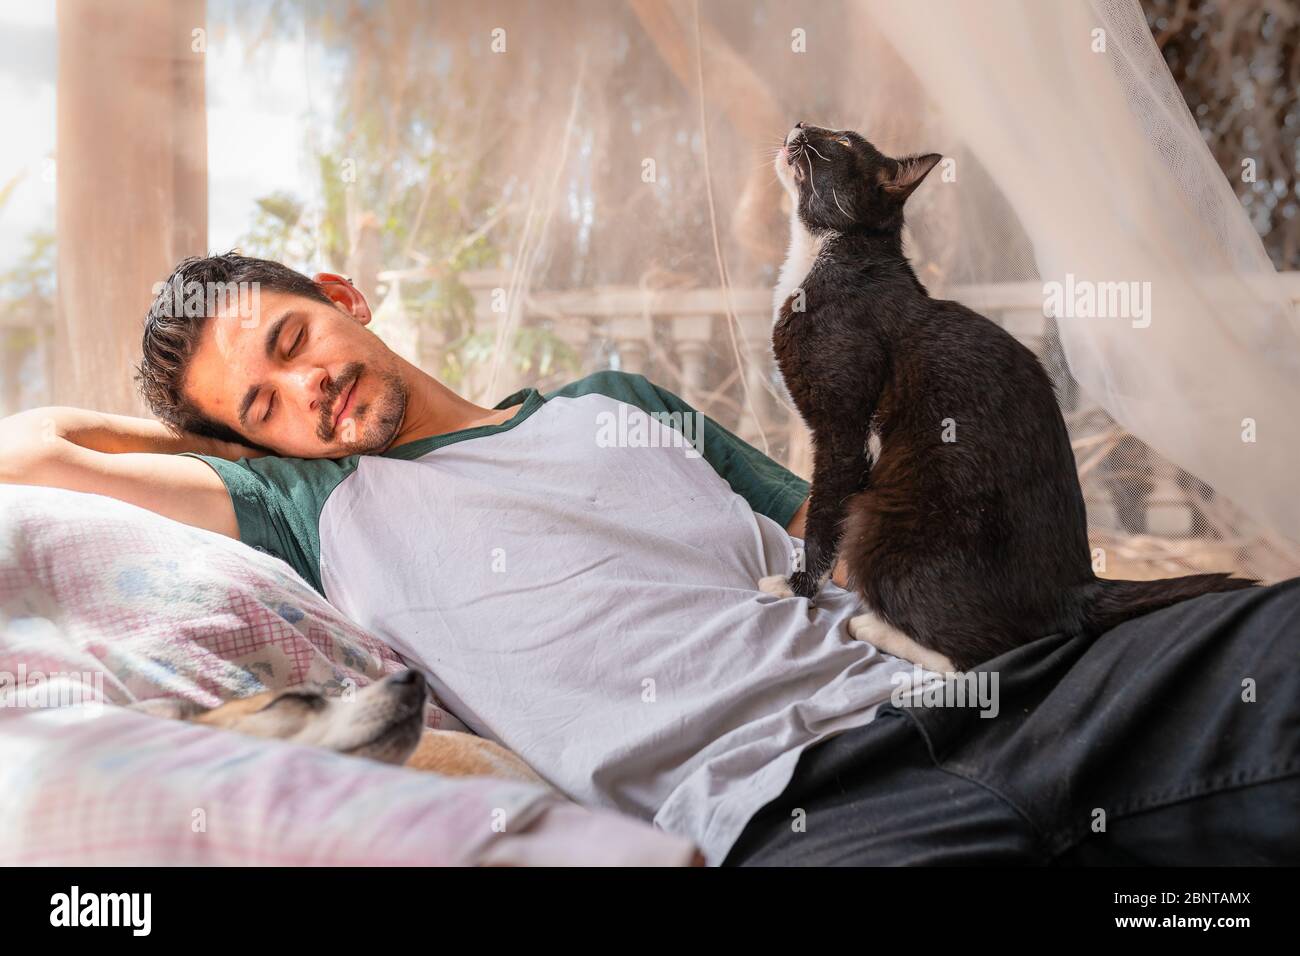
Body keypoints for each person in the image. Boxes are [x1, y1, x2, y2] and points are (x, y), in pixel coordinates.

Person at [1, 252, 1295, 866]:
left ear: (344, 293)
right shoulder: (308, 508)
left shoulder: (611, 397)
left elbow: (841, 547)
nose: (305, 397)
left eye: (291, 342)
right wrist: (218, 411)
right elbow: (37, 449)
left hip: (987, 696)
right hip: (790, 820)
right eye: (261, 406)